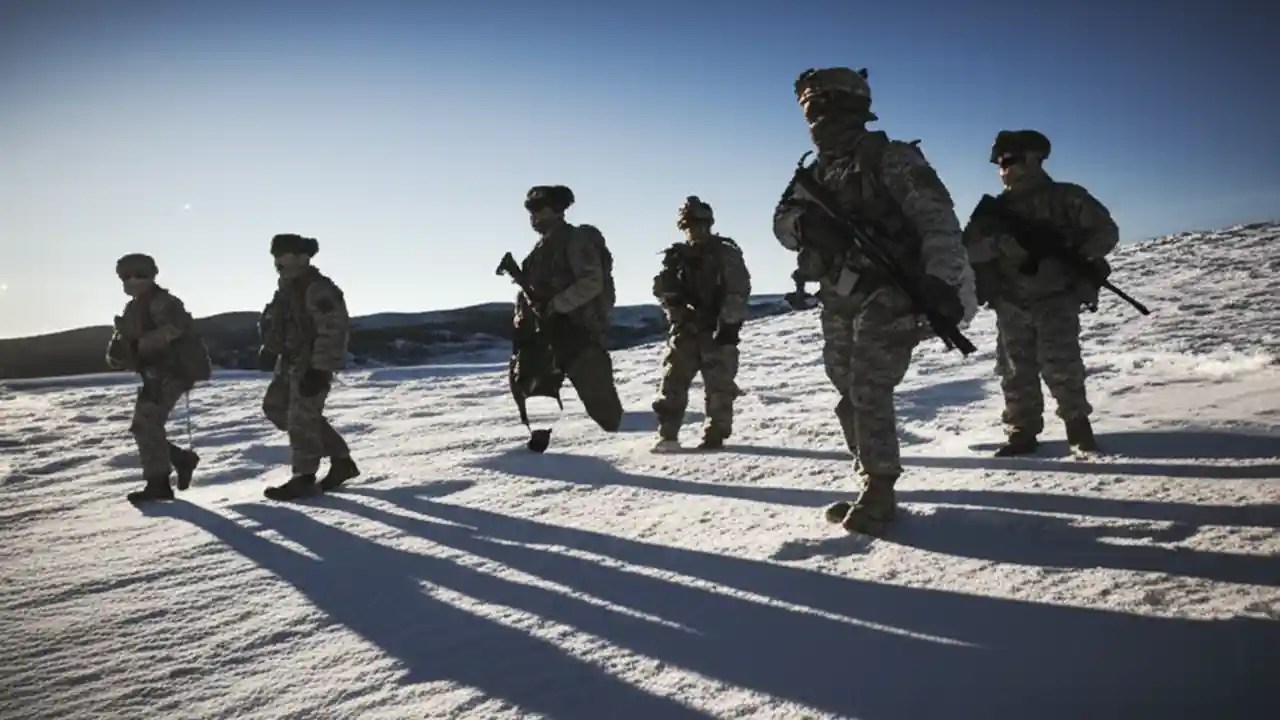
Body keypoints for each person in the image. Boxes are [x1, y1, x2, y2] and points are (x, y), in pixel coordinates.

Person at [772, 67, 976, 535]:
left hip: (896, 289)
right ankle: (869, 476)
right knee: (846, 386)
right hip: (843, 295)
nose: (818, 117)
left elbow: (938, 221)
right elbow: (781, 222)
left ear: (855, 108)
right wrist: (805, 228)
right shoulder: (812, 173)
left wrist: (942, 283)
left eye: (827, 106)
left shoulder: (891, 157)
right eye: (810, 108)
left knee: (867, 384)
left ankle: (881, 490)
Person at [962, 129, 1119, 456]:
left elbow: (1106, 232)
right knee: (1015, 370)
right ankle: (1021, 431)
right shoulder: (992, 212)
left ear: (1034, 159)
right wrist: (999, 245)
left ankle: (1077, 427)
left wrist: (1072, 255)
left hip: (1055, 296)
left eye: (1010, 159)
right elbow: (967, 252)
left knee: (1061, 363)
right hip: (1010, 302)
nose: (1003, 167)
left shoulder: (1065, 197)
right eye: (999, 162)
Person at [507, 185, 623, 451]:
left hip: (575, 330)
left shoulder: (575, 239)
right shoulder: (538, 251)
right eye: (531, 211)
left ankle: (625, 443)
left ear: (558, 210)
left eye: (541, 209)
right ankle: (539, 439)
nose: (535, 216)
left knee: (605, 409)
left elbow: (592, 282)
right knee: (533, 382)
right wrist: (523, 321)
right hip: (543, 332)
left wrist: (556, 305)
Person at [257, 233, 359, 500]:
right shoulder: (286, 289)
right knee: (276, 408)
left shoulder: (317, 288)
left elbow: (334, 329)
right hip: (288, 362)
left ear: (302, 258)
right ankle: (340, 460)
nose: (278, 260)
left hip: (311, 364)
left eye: (284, 254)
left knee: (301, 417)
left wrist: (319, 368)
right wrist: (270, 348)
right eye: (275, 255)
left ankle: (304, 478)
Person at [106, 253, 211, 503]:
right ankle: (179, 460)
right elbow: (126, 340)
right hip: (155, 372)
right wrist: (120, 351)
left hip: (172, 371)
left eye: (139, 275)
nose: (133, 281)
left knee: (146, 424)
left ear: (152, 276)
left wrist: (137, 345)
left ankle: (159, 483)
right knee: (144, 426)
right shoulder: (134, 306)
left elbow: (172, 331)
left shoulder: (164, 302)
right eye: (126, 276)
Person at [651, 195, 751, 451]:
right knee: (673, 383)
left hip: (717, 329)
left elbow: (738, 290)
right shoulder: (677, 256)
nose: (695, 230)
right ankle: (668, 435)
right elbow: (663, 289)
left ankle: (715, 434)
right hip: (686, 329)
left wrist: (728, 325)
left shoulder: (725, 253)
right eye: (690, 225)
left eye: (699, 223)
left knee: (719, 386)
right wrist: (673, 304)